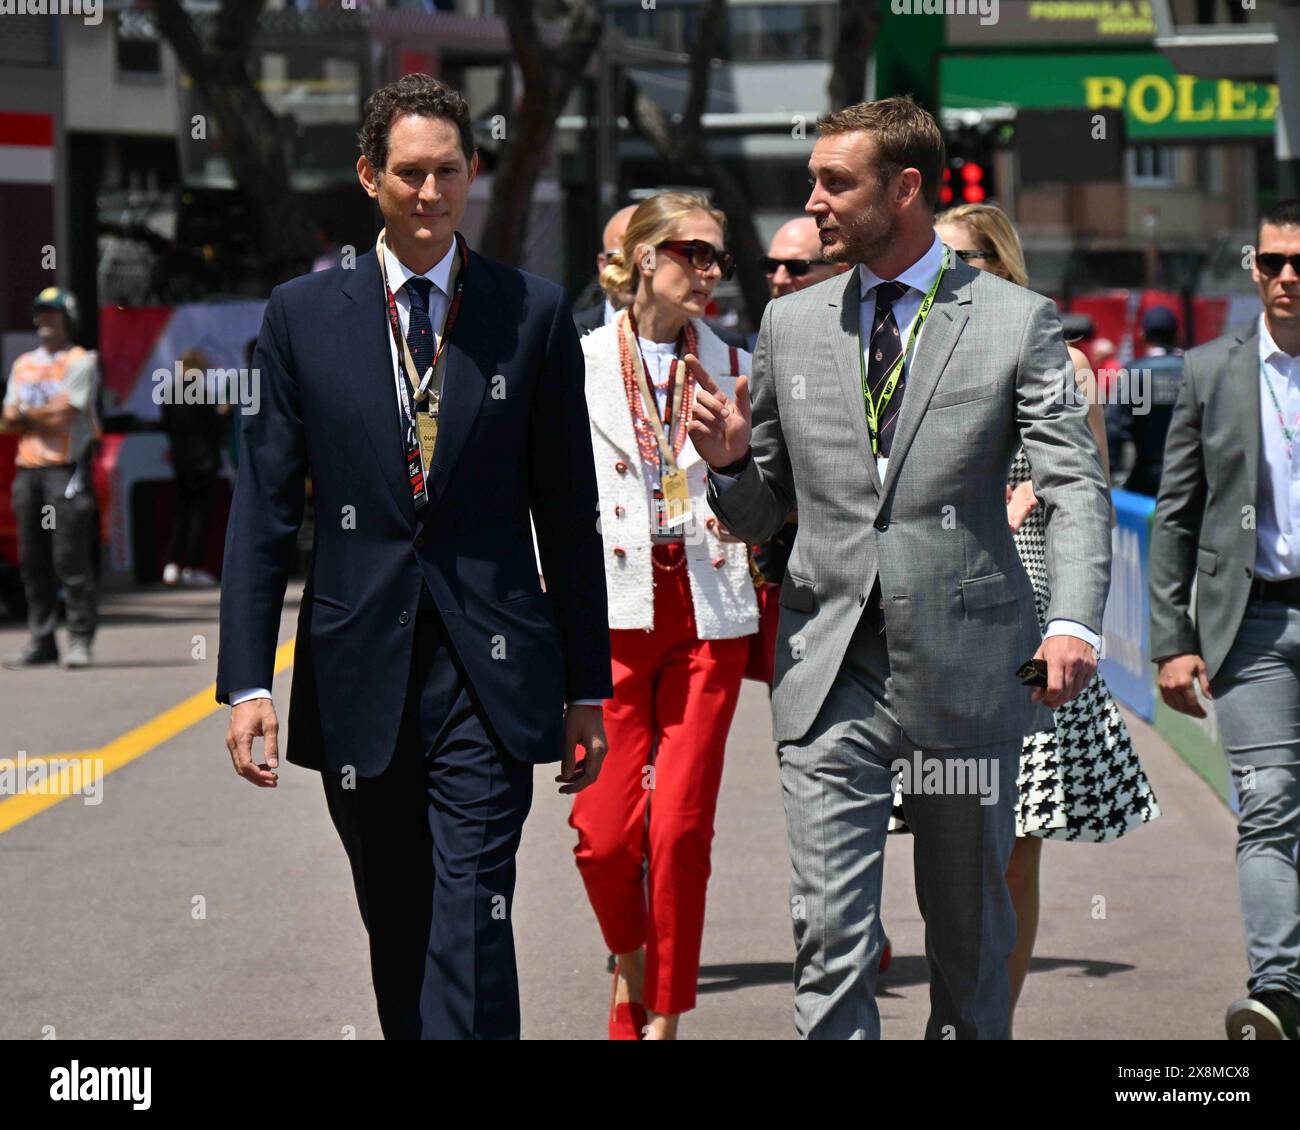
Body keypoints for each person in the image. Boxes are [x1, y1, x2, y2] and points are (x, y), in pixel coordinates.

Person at [686, 96, 1111, 1040]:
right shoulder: (791, 326)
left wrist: (1074, 623)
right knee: (829, 938)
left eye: (837, 181)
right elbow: (764, 512)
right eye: (815, 181)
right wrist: (725, 468)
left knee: (967, 945)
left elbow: (1075, 486)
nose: (816, 201)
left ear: (906, 189)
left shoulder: (1013, 322)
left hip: (965, 673)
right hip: (828, 669)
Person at [216, 73, 612, 1040]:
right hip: (362, 669)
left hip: (493, 668)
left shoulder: (532, 312)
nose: (429, 193)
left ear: (472, 172)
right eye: (408, 174)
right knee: (398, 922)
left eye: (448, 172)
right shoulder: (302, 317)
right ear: (367, 177)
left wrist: (587, 686)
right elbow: (264, 508)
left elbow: (568, 512)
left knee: (474, 910)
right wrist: (244, 682)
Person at [882, 202, 1159, 1029]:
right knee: (950, 841)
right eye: (943, 259)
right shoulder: (910, 355)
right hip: (935, 616)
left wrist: (1032, 488)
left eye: (967, 258)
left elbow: (1089, 486)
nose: (951, 274)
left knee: (1014, 845)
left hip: (1032, 605)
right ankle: (961, 1004)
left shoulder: (1061, 362)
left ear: (1000, 265)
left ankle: (984, 1018)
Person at [571, 192, 758, 1041]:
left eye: (720, 257)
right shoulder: (572, 366)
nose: (713, 271)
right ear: (645, 257)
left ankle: (665, 1018)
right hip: (609, 609)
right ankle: (636, 967)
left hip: (710, 608)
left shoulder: (738, 363)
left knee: (680, 827)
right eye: (696, 252)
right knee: (606, 836)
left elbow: (770, 506)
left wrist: (737, 460)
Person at [1150, 198, 1300, 1042]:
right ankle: (1279, 992)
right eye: (1273, 261)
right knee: (1271, 802)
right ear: (1253, 268)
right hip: (1252, 627)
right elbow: (1176, 513)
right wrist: (1171, 640)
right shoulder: (1212, 370)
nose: (1287, 277)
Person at [1, 288, 100, 670]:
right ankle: (42, 638)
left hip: (64, 471)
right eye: (41, 313)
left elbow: (65, 414)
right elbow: (7, 418)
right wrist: (33, 414)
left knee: (69, 558)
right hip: (28, 471)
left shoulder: (81, 361)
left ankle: (79, 638)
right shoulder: (23, 363)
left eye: (53, 314)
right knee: (32, 559)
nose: (45, 320)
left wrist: (26, 414)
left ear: (68, 319)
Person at [161, 348, 229, 587]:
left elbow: (167, 426)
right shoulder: (201, 392)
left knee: (182, 514)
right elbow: (213, 429)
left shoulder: (169, 392)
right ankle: (193, 566)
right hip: (204, 461)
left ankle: (172, 564)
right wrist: (223, 414)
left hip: (181, 461)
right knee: (200, 515)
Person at [1110, 305, 1185, 497]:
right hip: (1190, 477)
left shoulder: (1136, 371)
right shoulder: (1196, 369)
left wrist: (1111, 471)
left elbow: (1114, 426)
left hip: (1145, 478)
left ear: (1142, 335)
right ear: (1176, 335)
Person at [573, 205, 637, 335]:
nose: (632, 271)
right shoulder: (571, 333)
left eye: (644, 259)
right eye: (620, 260)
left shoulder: (685, 334)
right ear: (602, 265)